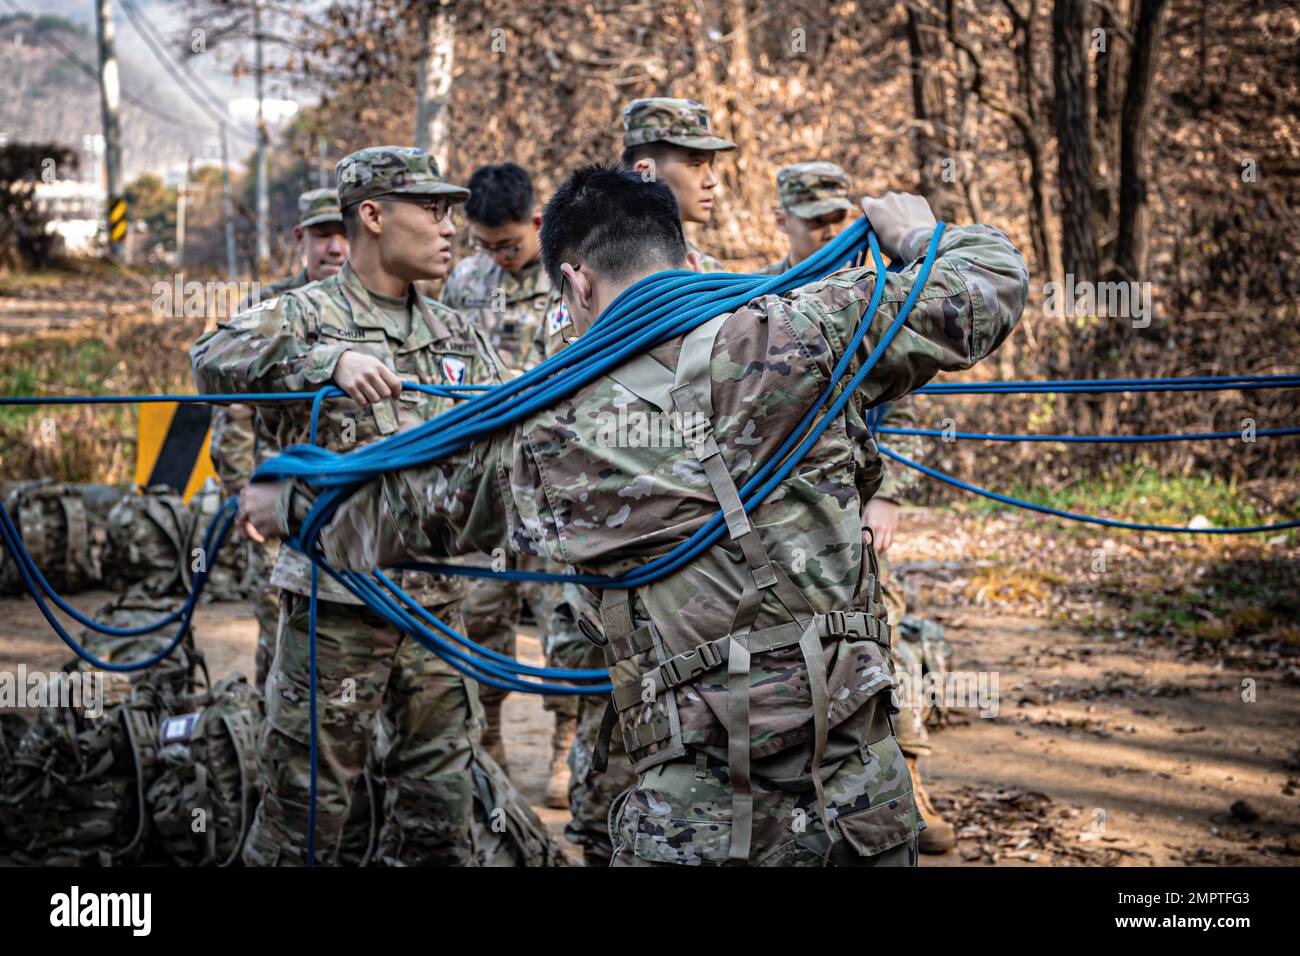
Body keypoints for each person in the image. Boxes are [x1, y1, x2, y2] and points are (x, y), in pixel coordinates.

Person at [239, 165, 1028, 866]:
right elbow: (987, 287)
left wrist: (289, 502)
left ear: (576, 285)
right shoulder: (809, 330)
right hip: (860, 806)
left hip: (699, 824)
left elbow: (413, 514)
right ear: (687, 260)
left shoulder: (552, 428)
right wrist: (923, 234)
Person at [191, 146, 547, 866]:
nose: (450, 227)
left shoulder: (456, 334)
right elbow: (210, 357)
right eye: (433, 209)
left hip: (437, 612)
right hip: (336, 611)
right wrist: (326, 363)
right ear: (374, 216)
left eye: (452, 212)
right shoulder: (303, 312)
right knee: (307, 816)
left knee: (439, 812)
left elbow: (519, 432)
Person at [440, 162, 583, 804]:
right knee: (478, 613)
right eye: (485, 245)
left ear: (538, 222)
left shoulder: (575, 278)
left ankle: (565, 748)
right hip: (485, 480)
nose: (498, 257)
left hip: (556, 480)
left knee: (564, 616)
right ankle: (488, 739)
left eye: (509, 244)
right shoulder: (464, 284)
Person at [210, 186, 349, 690]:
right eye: (322, 236)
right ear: (300, 238)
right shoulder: (270, 309)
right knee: (279, 627)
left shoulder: (368, 307)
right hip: (276, 498)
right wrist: (242, 496)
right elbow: (232, 415)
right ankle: (276, 732)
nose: (334, 248)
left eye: (343, 235)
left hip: (349, 498)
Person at [620, 97, 733, 273]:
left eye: (710, 165)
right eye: (695, 164)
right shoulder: (596, 261)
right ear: (645, 173)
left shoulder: (708, 269)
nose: (712, 181)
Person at [758, 161, 855, 275]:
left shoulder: (869, 284)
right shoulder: (755, 287)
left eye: (839, 218)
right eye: (817, 221)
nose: (831, 233)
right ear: (782, 221)